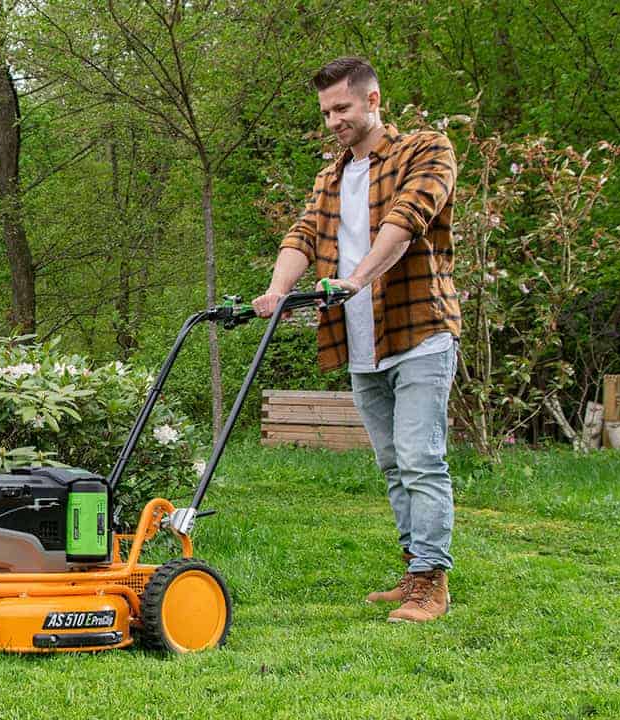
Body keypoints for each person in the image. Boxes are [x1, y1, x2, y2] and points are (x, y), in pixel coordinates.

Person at [253, 57, 461, 623]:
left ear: (372, 101)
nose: (333, 121)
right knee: (393, 464)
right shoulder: (330, 177)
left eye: (341, 108)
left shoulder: (426, 150)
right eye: (326, 112)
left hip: (419, 331)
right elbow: (303, 234)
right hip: (361, 343)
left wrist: (356, 279)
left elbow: (408, 218)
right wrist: (275, 291)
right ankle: (413, 569)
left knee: (420, 460)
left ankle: (432, 583)